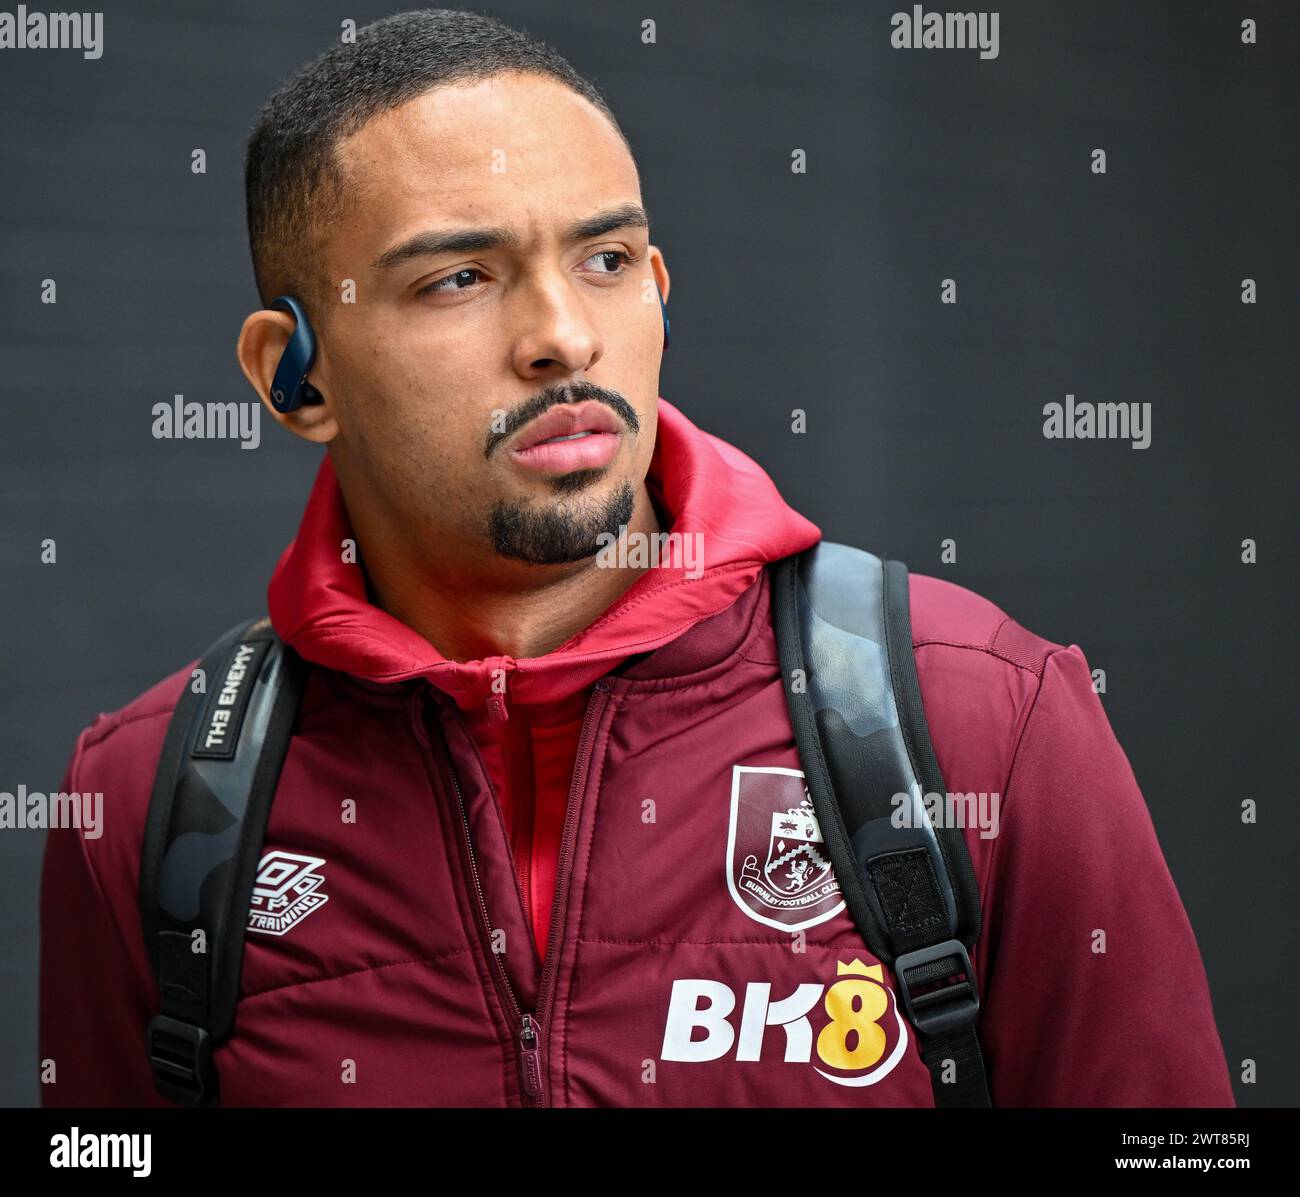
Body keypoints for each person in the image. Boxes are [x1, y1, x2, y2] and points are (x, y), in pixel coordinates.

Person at [39, 8, 1234, 1108]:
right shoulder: (154, 804)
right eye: (459, 278)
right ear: (292, 378)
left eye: (606, 261)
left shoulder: (985, 716)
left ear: (658, 291)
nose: (563, 337)